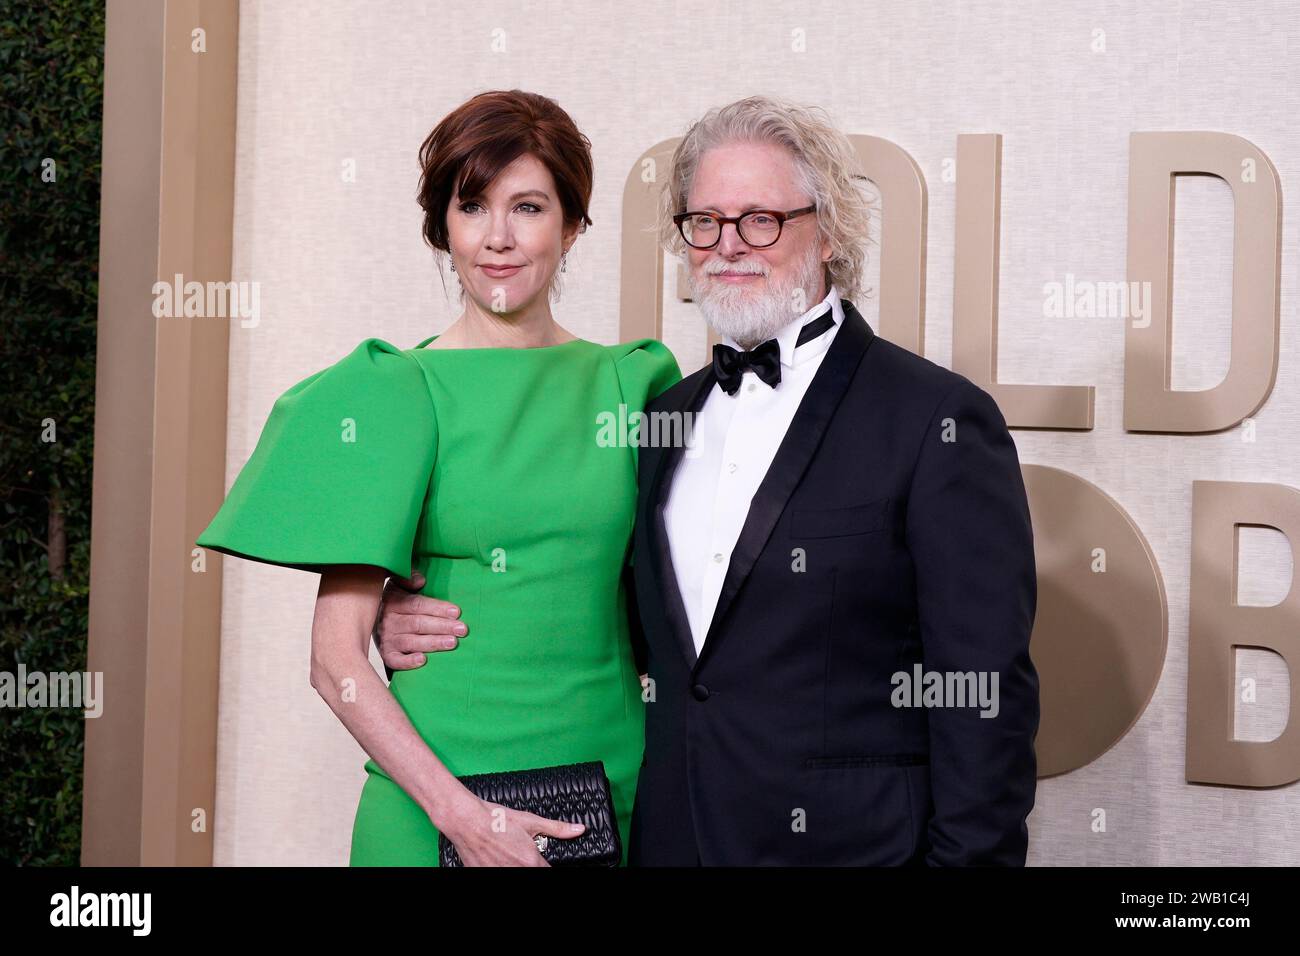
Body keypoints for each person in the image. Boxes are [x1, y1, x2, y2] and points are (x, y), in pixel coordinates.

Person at [377, 95, 1040, 866]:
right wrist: (397, 615)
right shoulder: (665, 415)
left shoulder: (936, 421)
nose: (729, 245)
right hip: (668, 841)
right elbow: (594, 601)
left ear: (827, 230)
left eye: (761, 219)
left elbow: (983, 696)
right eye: (706, 222)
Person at [196, 89, 681, 866]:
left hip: (612, 792)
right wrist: (464, 819)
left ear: (574, 225)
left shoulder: (633, 384)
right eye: (472, 207)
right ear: (441, 227)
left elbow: (679, 592)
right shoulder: (394, 392)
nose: (498, 238)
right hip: (434, 807)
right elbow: (335, 658)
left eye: (527, 207)